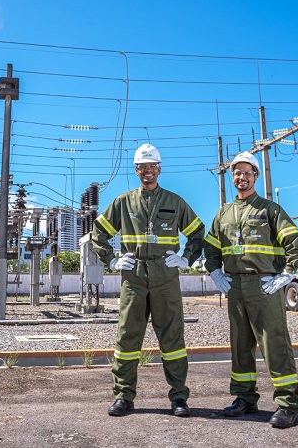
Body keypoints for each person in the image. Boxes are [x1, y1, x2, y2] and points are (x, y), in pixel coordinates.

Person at [91, 143, 205, 418]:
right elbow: (99, 232)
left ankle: (179, 397)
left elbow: (197, 232)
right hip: (134, 276)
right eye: (143, 166)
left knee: (172, 337)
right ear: (136, 170)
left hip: (165, 274)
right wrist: (112, 260)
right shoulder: (123, 202)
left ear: (159, 169)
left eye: (152, 166)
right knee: (128, 336)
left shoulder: (175, 202)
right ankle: (123, 396)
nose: (148, 171)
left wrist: (186, 258)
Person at [204, 151, 298, 428]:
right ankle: (245, 398)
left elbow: (295, 243)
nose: (242, 177)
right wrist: (215, 272)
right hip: (235, 286)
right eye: (237, 172)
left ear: (255, 176)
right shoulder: (223, 213)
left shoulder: (270, 210)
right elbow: (211, 247)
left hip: (264, 286)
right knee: (240, 346)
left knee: (274, 344)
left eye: (247, 172)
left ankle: (288, 404)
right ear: (232, 176)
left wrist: (287, 274)